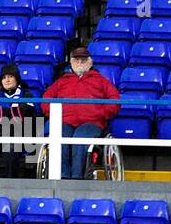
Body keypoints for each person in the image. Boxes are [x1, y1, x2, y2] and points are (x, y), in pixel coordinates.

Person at [41, 46, 121, 179]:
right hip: (65, 121)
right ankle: (63, 177)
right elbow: (45, 99)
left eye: (83, 60)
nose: (79, 63)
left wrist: (101, 113)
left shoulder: (100, 80)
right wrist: (53, 114)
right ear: (71, 63)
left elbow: (115, 100)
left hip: (91, 122)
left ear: (90, 62)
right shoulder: (62, 81)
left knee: (80, 140)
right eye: (76, 60)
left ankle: (77, 178)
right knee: (60, 139)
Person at [0, 63, 37, 179]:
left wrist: (2, 112)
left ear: (17, 78)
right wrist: (13, 112)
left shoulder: (26, 95)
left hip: (19, 136)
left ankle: (10, 185)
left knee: (10, 151)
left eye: (10, 77)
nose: (7, 80)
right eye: (4, 77)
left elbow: (27, 118)